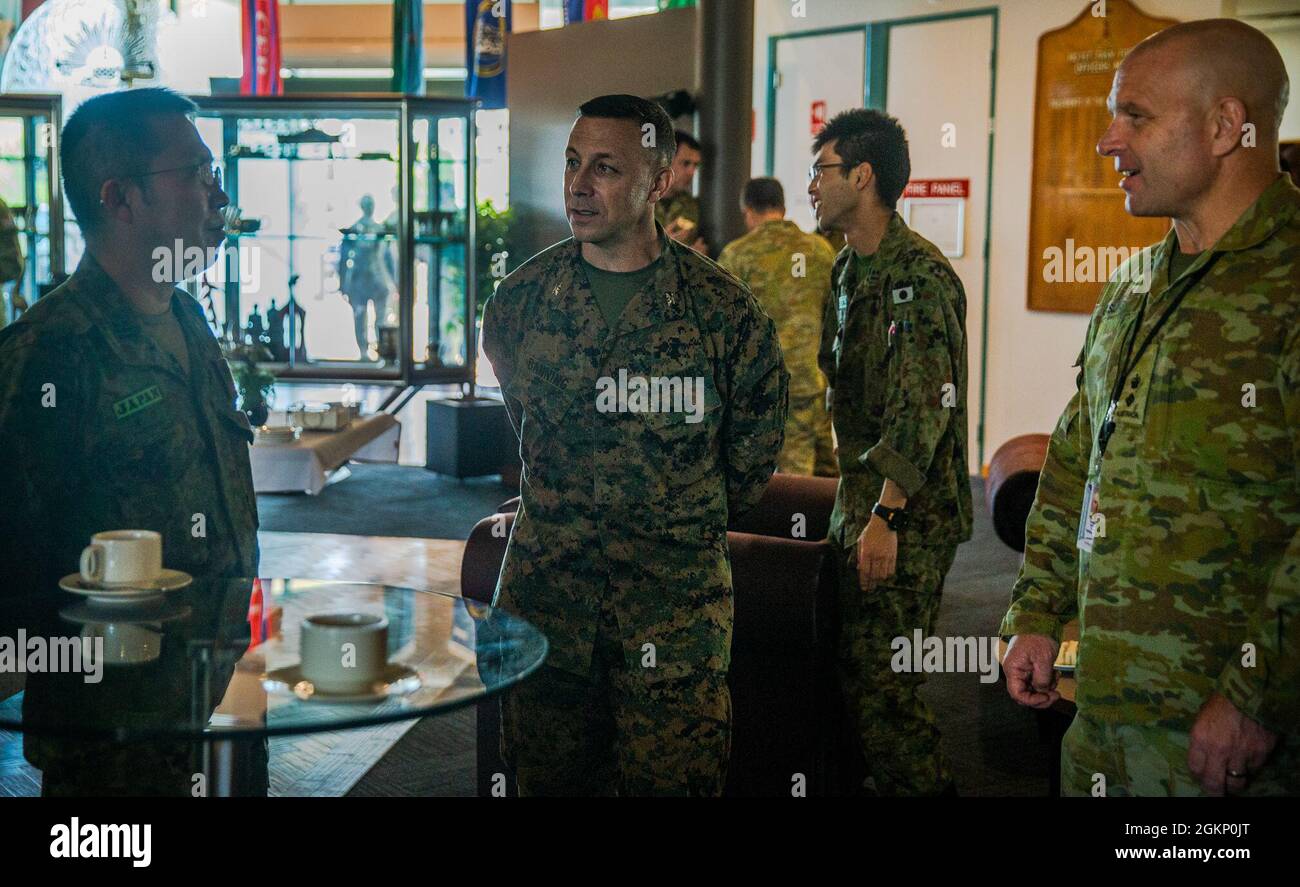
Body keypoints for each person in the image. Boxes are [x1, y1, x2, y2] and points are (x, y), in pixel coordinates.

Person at [1001, 19, 1299, 797]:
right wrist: (1036, 609)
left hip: (1231, 741)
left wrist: (1254, 694)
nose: (1107, 140)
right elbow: (1074, 461)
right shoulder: (1133, 286)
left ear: (1228, 126)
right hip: (1103, 712)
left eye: (1136, 115)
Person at [481, 94, 787, 796]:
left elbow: (750, 459)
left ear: (659, 182)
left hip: (673, 615)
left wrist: (667, 520)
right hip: (546, 606)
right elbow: (523, 414)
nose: (578, 185)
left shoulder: (723, 313)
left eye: (606, 168)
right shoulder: (520, 301)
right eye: (572, 162)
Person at [0, 88, 262, 795]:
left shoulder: (186, 316)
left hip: (193, 700)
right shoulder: (50, 354)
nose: (220, 195)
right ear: (119, 199)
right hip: (106, 740)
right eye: (199, 175)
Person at [811, 108, 972, 796]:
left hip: (906, 518)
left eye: (821, 170)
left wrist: (887, 517)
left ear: (862, 175)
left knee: (886, 693)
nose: (811, 185)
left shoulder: (919, 278)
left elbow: (921, 412)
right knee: (851, 679)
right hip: (858, 505)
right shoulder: (847, 269)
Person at [718, 176, 836, 475]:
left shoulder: (737, 255)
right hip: (814, 382)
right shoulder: (820, 250)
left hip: (763, 385)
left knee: (792, 480)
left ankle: (796, 522)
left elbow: (723, 328)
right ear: (782, 207)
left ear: (748, 210)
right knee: (825, 473)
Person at [339, 193, 394, 360]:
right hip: (359, 279)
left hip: (377, 279)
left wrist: (394, 281)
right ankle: (363, 351)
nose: (369, 208)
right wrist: (343, 283)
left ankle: (380, 350)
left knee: (381, 318)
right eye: (367, 204)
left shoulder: (379, 230)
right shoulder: (355, 229)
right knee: (360, 316)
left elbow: (388, 259)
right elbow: (344, 260)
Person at [656, 129, 707, 252]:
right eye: (685, 163)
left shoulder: (692, 206)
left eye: (696, 165)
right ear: (665, 160)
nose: (691, 172)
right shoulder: (637, 203)